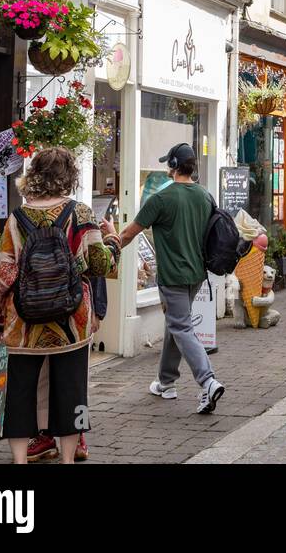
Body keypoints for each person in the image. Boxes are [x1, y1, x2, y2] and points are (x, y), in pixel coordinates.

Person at [0, 147, 116, 464]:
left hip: (24, 323)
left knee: (20, 393)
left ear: (34, 177)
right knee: (73, 392)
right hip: (71, 322)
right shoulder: (82, 214)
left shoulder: (16, 219)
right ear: (69, 177)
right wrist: (112, 240)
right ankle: (68, 459)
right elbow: (100, 266)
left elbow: (4, 274)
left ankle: (20, 460)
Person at [115, 143, 225, 414]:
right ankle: (166, 382)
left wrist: (109, 243)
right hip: (197, 274)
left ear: (174, 166)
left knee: (181, 327)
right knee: (176, 325)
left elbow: (129, 234)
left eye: (169, 164)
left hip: (173, 275)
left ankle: (208, 381)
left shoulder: (161, 199)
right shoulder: (205, 196)